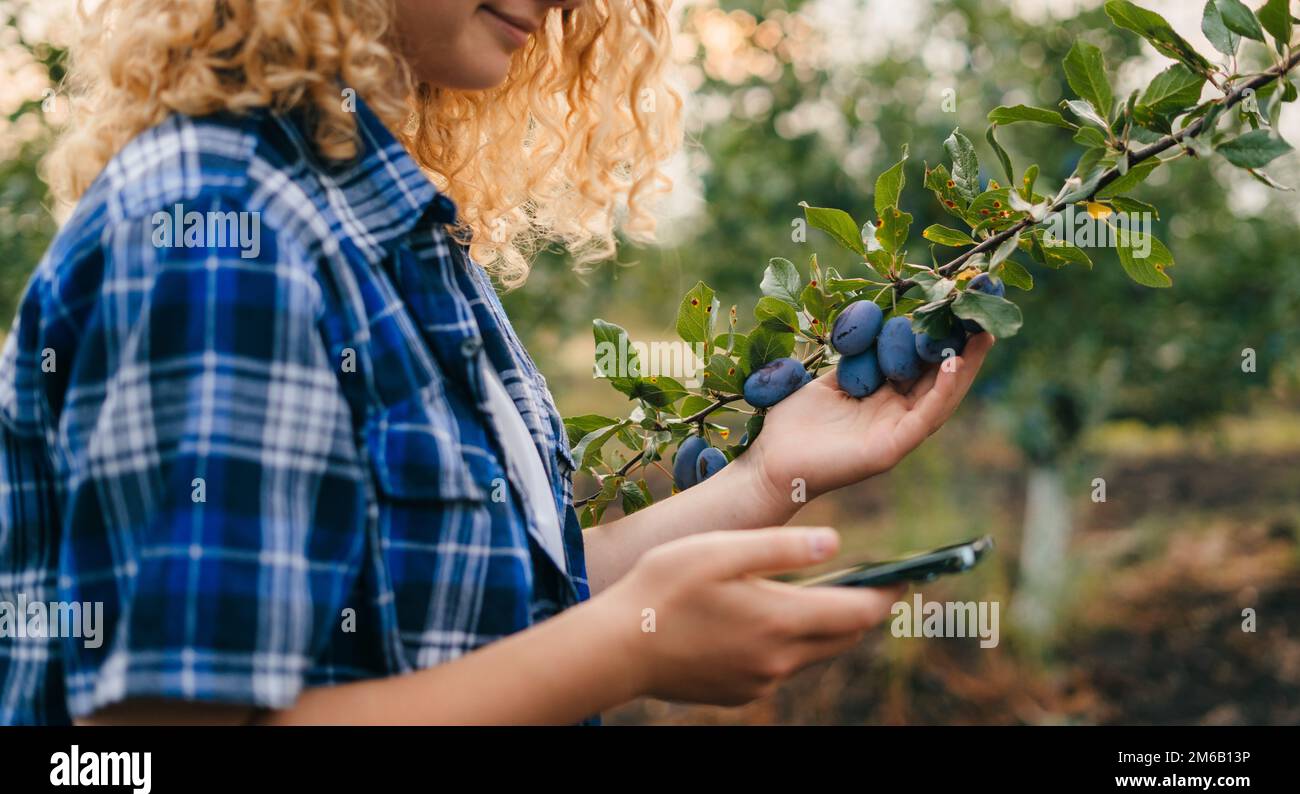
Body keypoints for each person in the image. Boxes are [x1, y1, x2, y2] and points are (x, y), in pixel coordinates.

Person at [0, 0, 991, 725]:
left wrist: (773, 472)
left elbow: (504, 603)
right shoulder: (227, 231)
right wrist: (623, 648)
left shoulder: (385, 226)